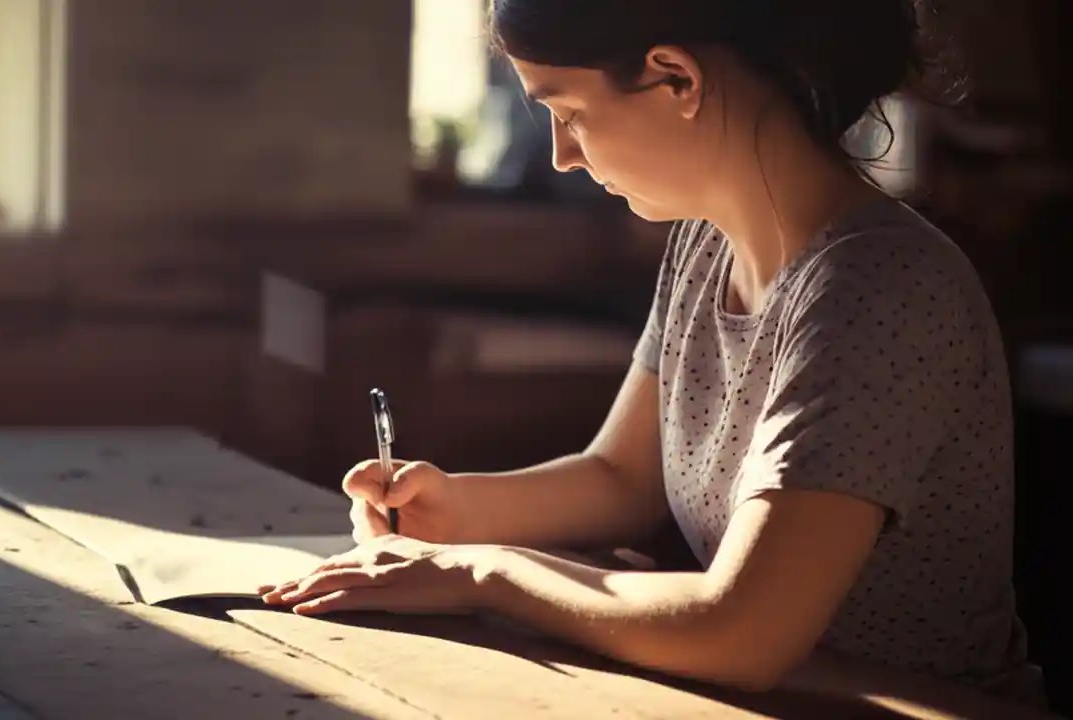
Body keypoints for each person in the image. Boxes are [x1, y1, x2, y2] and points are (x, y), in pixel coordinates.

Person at [260, 0, 1044, 704]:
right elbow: (622, 477)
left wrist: (482, 572)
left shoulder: (878, 288)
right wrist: (451, 510)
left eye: (567, 111)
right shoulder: (704, 245)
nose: (563, 154)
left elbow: (741, 632)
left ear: (676, 79)